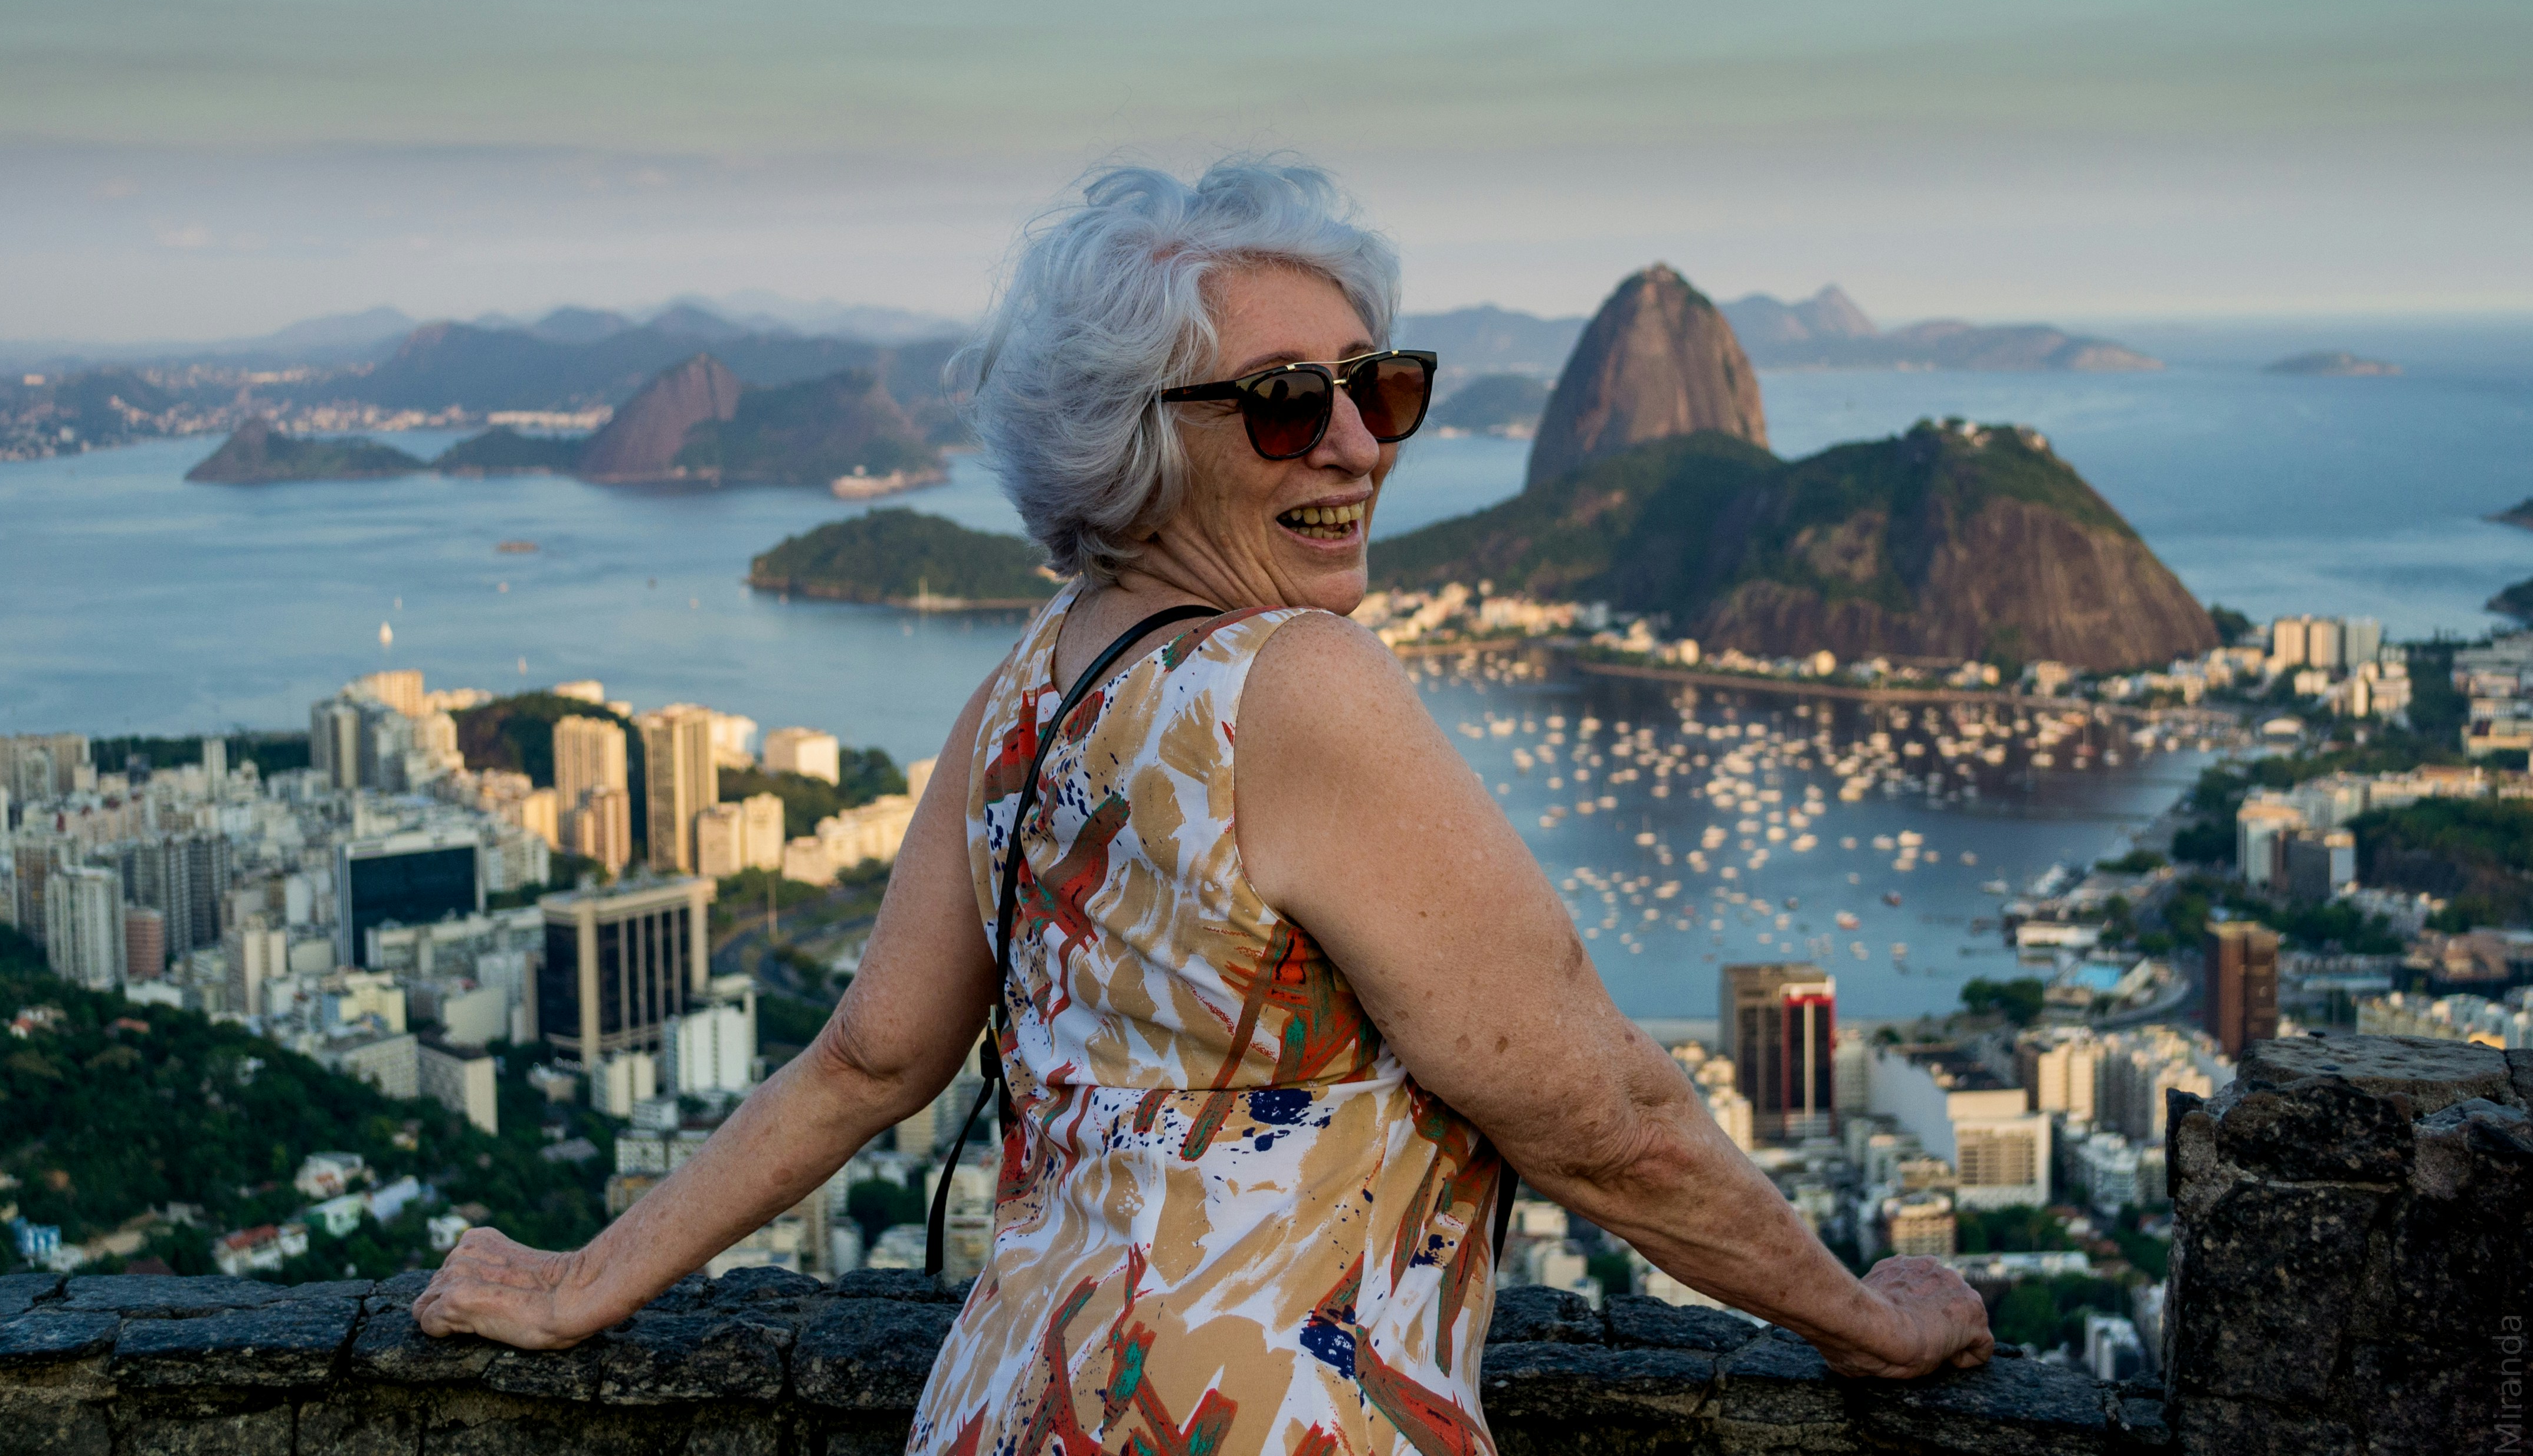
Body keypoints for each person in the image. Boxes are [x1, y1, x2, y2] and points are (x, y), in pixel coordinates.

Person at [414, 159, 1992, 1453]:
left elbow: (869, 1059)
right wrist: (1869, 1319)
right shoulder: (1300, 686)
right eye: (1288, 405)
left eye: (1382, 387)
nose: (1362, 445)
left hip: (997, 1418)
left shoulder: (1029, 684)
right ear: (1130, 435)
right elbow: (1604, 1121)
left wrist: (577, 1285)